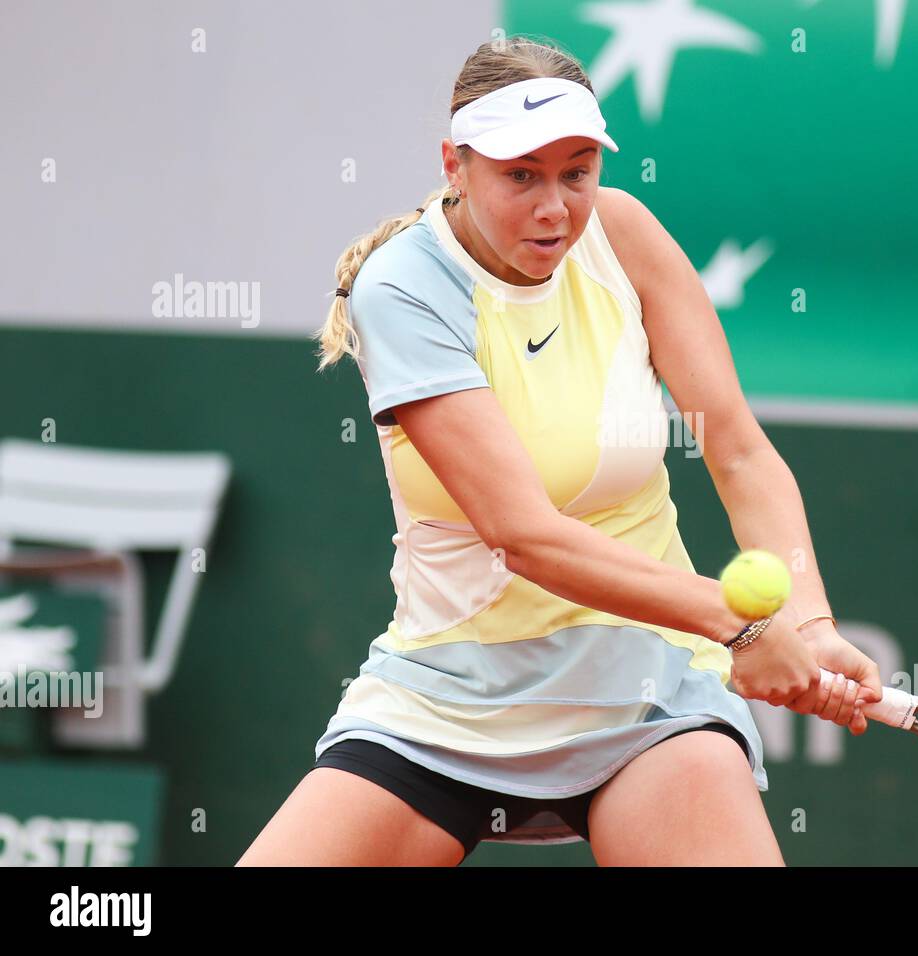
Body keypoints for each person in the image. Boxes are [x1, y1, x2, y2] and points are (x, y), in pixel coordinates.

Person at [237, 36, 881, 868]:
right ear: (455, 165)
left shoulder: (623, 236)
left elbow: (737, 448)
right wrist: (743, 628)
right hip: (447, 697)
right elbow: (524, 536)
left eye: (577, 172)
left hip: (647, 691)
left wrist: (809, 621)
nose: (555, 209)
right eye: (521, 175)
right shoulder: (401, 287)